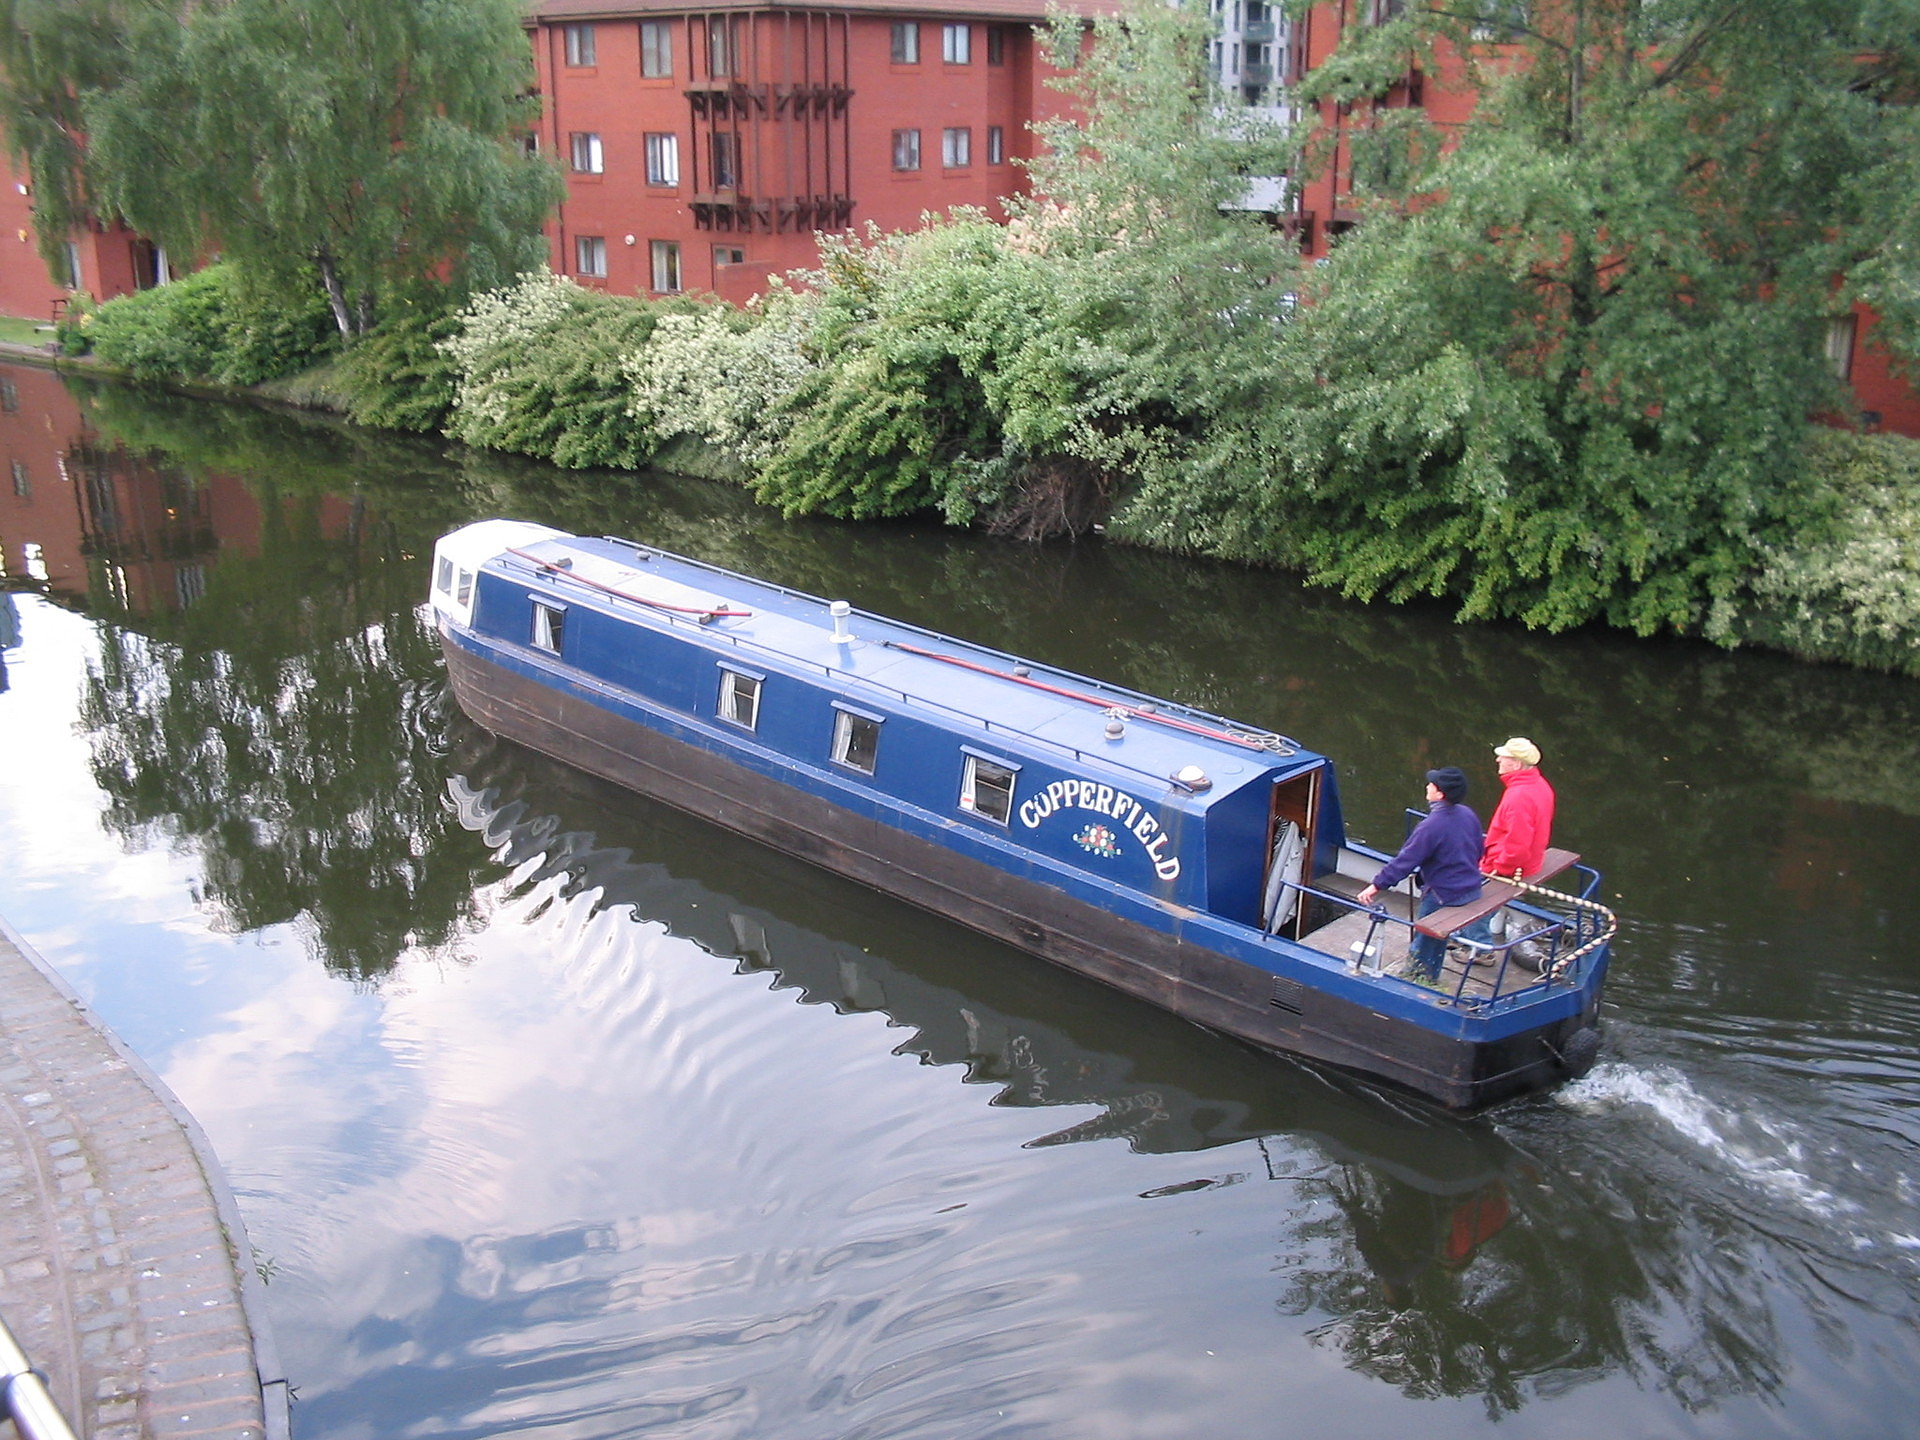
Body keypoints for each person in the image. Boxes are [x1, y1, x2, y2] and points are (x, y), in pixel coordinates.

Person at [1356, 767, 1484, 983]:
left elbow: (1405, 861)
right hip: (1470, 887)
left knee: (1424, 940)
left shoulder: (1431, 825)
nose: (1427, 786)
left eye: (1432, 784)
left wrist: (1375, 886)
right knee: (1438, 938)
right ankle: (1431, 977)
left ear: (1440, 794)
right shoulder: (1467, 814)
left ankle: (1414, 980)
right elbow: (1479, 850)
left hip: (1443, 893)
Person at [1481, 737, 1555, 882]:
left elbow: (1518, 845)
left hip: (1511, 870)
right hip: (1532, 862)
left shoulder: (1518, 796)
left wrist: (1500, 868)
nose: (1498, 760)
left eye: (1503, 757)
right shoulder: (1540, 783)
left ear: (1516, 764)